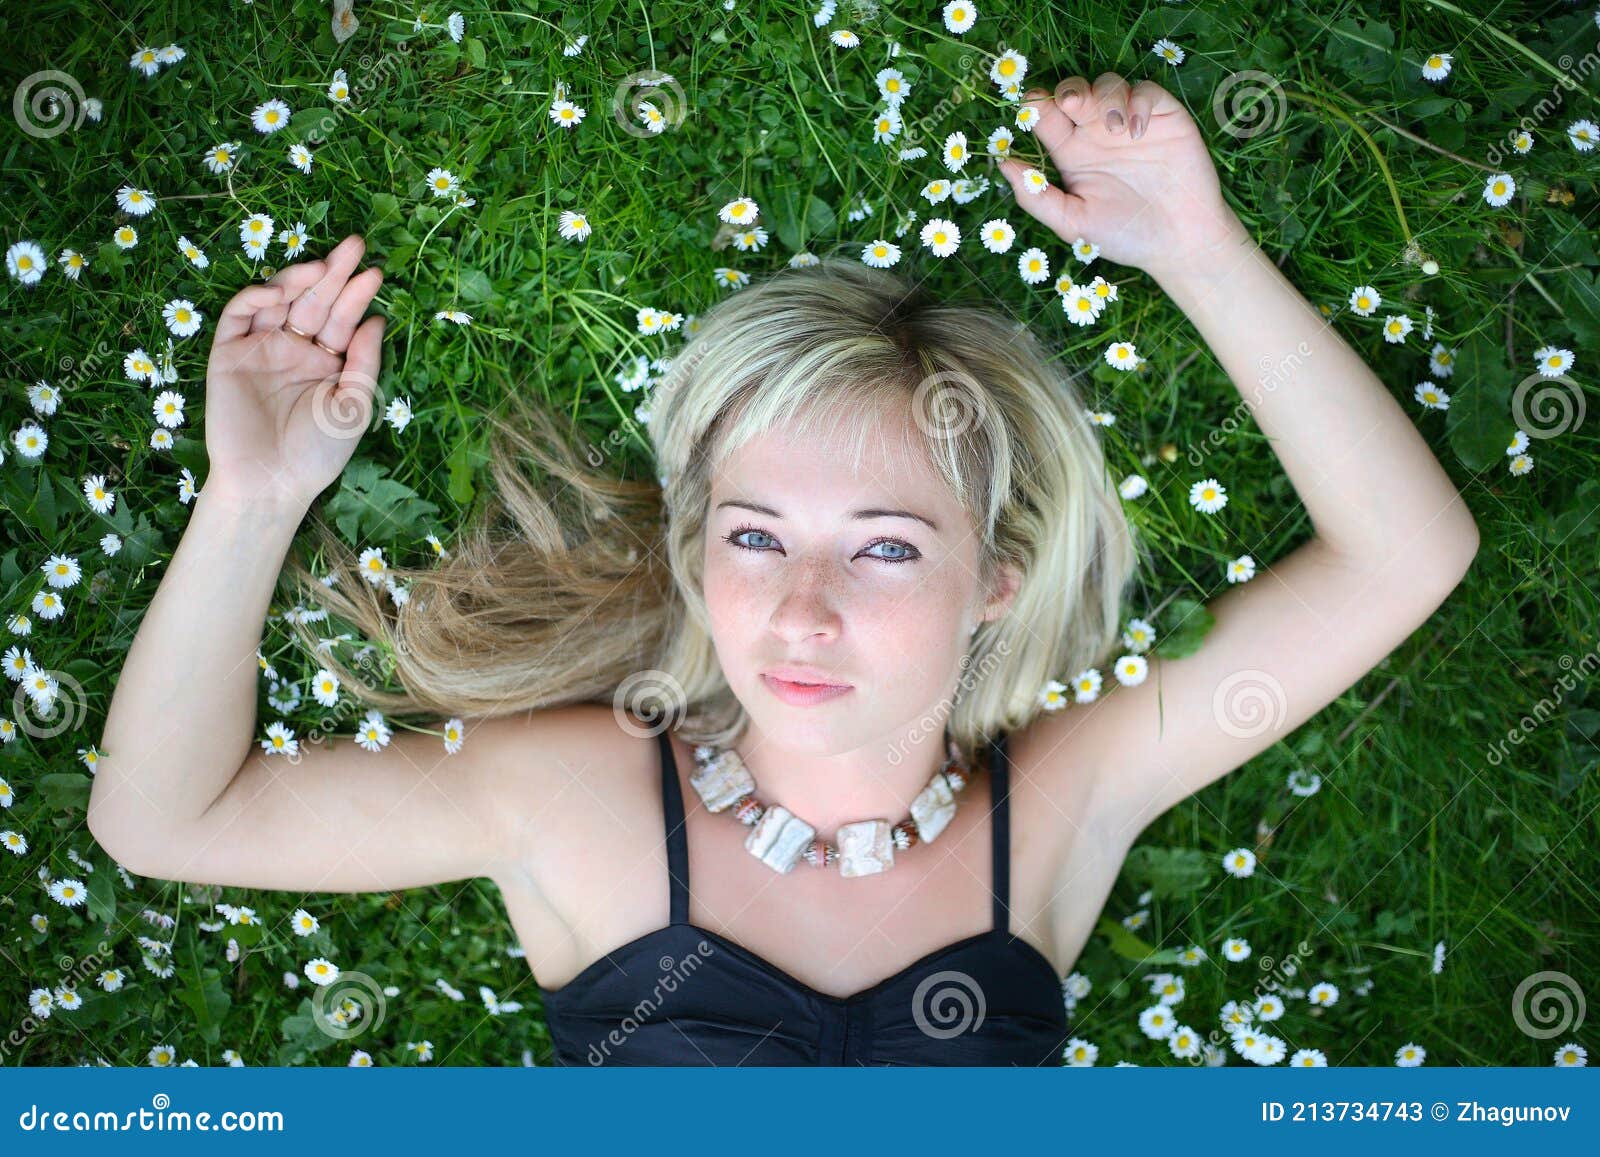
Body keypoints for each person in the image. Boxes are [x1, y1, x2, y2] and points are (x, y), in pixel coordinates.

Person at [87, 73, 1479, 1066]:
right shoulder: (574, 801)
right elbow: (168, 821)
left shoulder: (1060, 804)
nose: (803, 609)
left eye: (884, 546)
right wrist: (257, 496)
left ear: (996, 578)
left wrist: (1199, 251)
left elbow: (1406, 555)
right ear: (699, 552)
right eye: (755, 534)